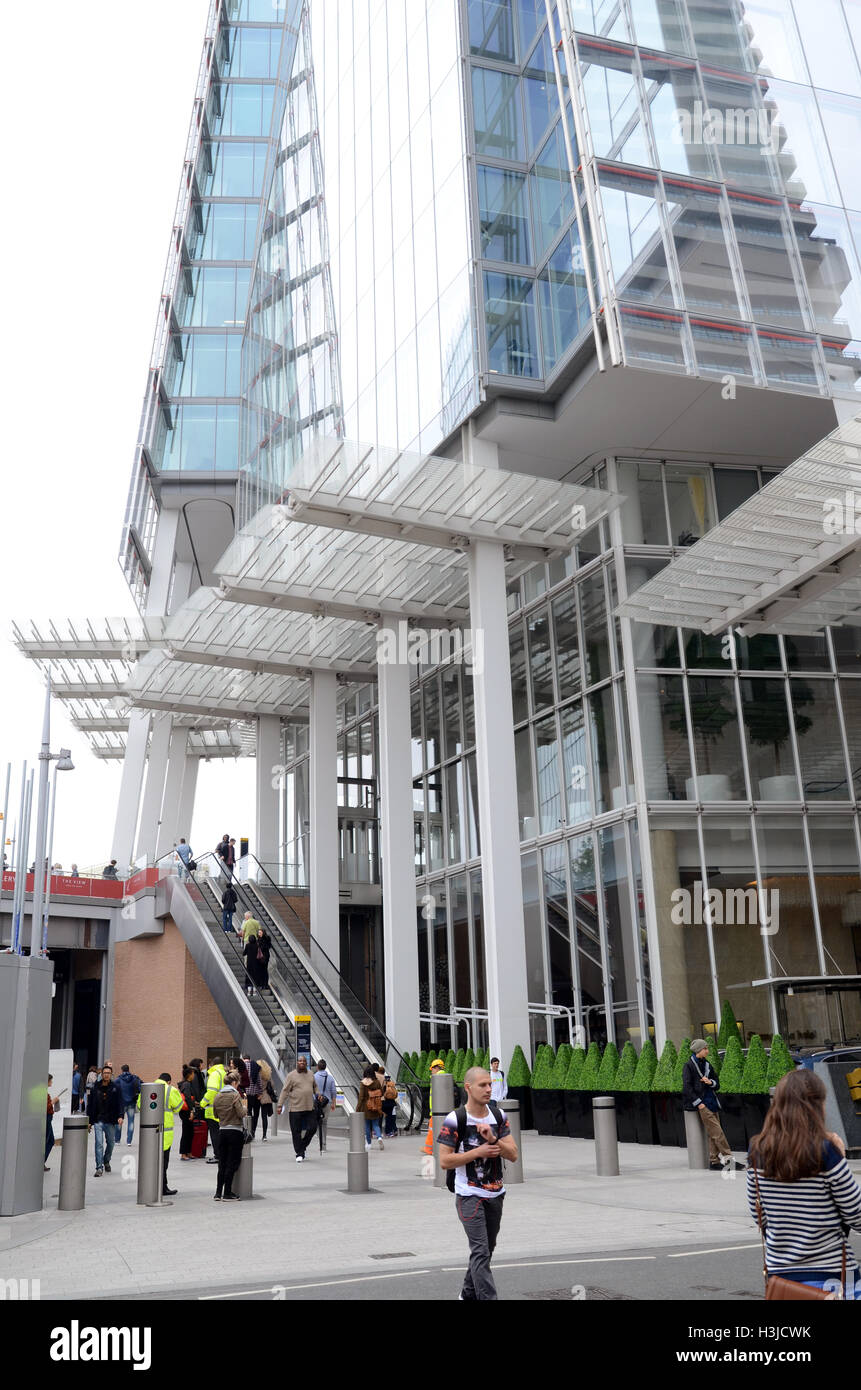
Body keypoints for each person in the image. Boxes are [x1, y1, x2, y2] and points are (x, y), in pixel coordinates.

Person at [748, 1068, 861, 1298]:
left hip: (781, 1278)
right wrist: (840, 1157)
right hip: (834, 1276)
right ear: (816, 1105)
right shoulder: (826, 1151)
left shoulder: (757, 1150)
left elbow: (761, 1217)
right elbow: (856, 1215)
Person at [438, 1066, 518, 1301]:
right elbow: (444, 1161)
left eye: (490, 1084)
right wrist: (478, 1151)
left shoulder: (498, 1116)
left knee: (486, 1251)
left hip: (496, 1194)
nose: (488, 1089)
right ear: (468, 1087)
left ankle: (466, 1294)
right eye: (482, 1085)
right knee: (481, 1250)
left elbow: (512, 1154)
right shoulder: (456, 1119)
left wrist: (494, 1140)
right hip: (468, 1194)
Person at [682, 1038, 744, 1172]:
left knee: (713, 1133)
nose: (707, 1050)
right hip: (703, 1104)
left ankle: (714, 1161)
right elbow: (687, 1087)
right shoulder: (689, 1066)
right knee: (718, 1133)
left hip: (712, 1102)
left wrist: (710, 1082)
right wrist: (699, 1104)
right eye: (705, 1048)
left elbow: (717, 1083)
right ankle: (729, 1161)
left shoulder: (707, 1064)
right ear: (699, 1050)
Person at [136, 1073, 184, 1195]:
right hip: (165, 1132)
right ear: (168, 1081)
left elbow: (139, 1106)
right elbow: (179, 1107)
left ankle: (151, 1186)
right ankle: (162, 1187)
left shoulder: (146, 1088)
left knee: (151, 1160)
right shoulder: (170, 1090)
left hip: (149, 1131)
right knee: (163, 1162)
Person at [212, 1070, 247, 1201]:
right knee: (232, 1163)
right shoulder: (235, 1095)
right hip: (235, 1131)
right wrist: (245, 1107)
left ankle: (217, 1192)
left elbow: (215, 1115)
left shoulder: (217, 1096)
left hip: (222, 1131)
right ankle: (227, 1193)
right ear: (234, 1082)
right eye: (237, 1083)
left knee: (222, 1163)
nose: (238, 1085)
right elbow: (241, 1113)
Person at [277, 1056, 318, 1162]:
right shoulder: (291, 1075)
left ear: (306, 1063)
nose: (302, 1063)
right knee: (296, 1132)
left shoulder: (311, 1074)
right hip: (295, 1108)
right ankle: (299, 1153)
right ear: (297, 1063)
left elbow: (315, 1087)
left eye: (304, 1061)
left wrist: (318, 1094)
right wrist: (280, 1105)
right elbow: (285, 1091)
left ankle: (302, 1146)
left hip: (309, 1107)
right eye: (300, 1061)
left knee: (313, 1128)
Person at [87, 1063, 122, 1177]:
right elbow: (90, 1105)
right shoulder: (95, 1087)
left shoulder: (115, 1088)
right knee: (99, 1144)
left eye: (108, 1073)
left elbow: (120, 1104)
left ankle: (106, 1160)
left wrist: (120, 1116)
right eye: (104, 1073)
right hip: (98, 1120)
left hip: (110, 1120)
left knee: (111, 1143)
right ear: (101, 1074)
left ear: (111, 1075)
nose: (106, 1075)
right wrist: (89, 1121)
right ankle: (99, 1167)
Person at [201, 1056, 227, 1164]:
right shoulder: (224, 1073)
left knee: (214, 1134)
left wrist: (203, 1103)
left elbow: (211, 1091)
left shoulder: (214, 1074)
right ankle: (223, 1154)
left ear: (212, 1064)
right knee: (222, 1133)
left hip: (213, 1110)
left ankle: (217, 1155)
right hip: (224, 1107)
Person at [357, 1063, 384, 1151]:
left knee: (367, 1126)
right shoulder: (376, 1082)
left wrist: (357, 1108)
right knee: (376, 1124)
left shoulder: (363, 1083)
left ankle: (368, 1143)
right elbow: (381, 1093)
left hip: (366, 1107)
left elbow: (361, 1097)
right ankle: (379, 1137)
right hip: (375, 1105)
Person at [115, 1063, 142, 1144]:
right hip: (132, 1103)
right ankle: (129, 1141)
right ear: (128, 1069)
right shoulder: (134, 1078)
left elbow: (113, 1088)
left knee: (119, 1120)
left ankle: (117, 1139)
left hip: (121, 1103)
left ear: (122, 1070)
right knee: (131, 1122)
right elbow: (141, 1086)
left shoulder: (118, 1079)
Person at [314, 1059, 337, 1151]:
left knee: (317, 1122)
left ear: (317, 1067)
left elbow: (312, 1091)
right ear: (325, 1067)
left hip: (316, 1103)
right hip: (327, 1103)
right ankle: (324, 1144)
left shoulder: (314, 1077)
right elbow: (333, 1091)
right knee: (324, 1123)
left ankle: (320, 1141)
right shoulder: (330, 1078)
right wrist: (333, 1103)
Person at [178, 1065, 197, 1161]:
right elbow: (188, 1099)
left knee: (190, 1132)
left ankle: (188, 1152)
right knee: (186, 1132)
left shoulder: (186, 1084)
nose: (194, 1075)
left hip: (187, 1110)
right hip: (186, 1111)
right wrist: (191, 1111)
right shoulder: (186, 1084)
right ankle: (183, 1154)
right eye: (193, 1073)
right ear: (189, 1075)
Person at [45, 1075, 59, 1170]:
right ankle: (41, 1161)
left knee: (50, 1140)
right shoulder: (44, 1094)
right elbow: (45, 1107)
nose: (52, 1082)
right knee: (48, 1141)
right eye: (51, 1081)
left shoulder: (45, 1093)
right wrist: (53, 1102)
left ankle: (42, 1161)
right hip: (47, 1118)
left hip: (48, 1118)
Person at [381, 1072, 399, 1139]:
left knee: (387, 1118)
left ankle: (388, 1132)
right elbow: (396, 1095)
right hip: (392, 1104)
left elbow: (382, 1094)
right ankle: (393, 1130)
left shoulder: (384, 1086)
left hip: (385, 1104)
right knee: (391, 1118)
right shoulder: (392, 1085)